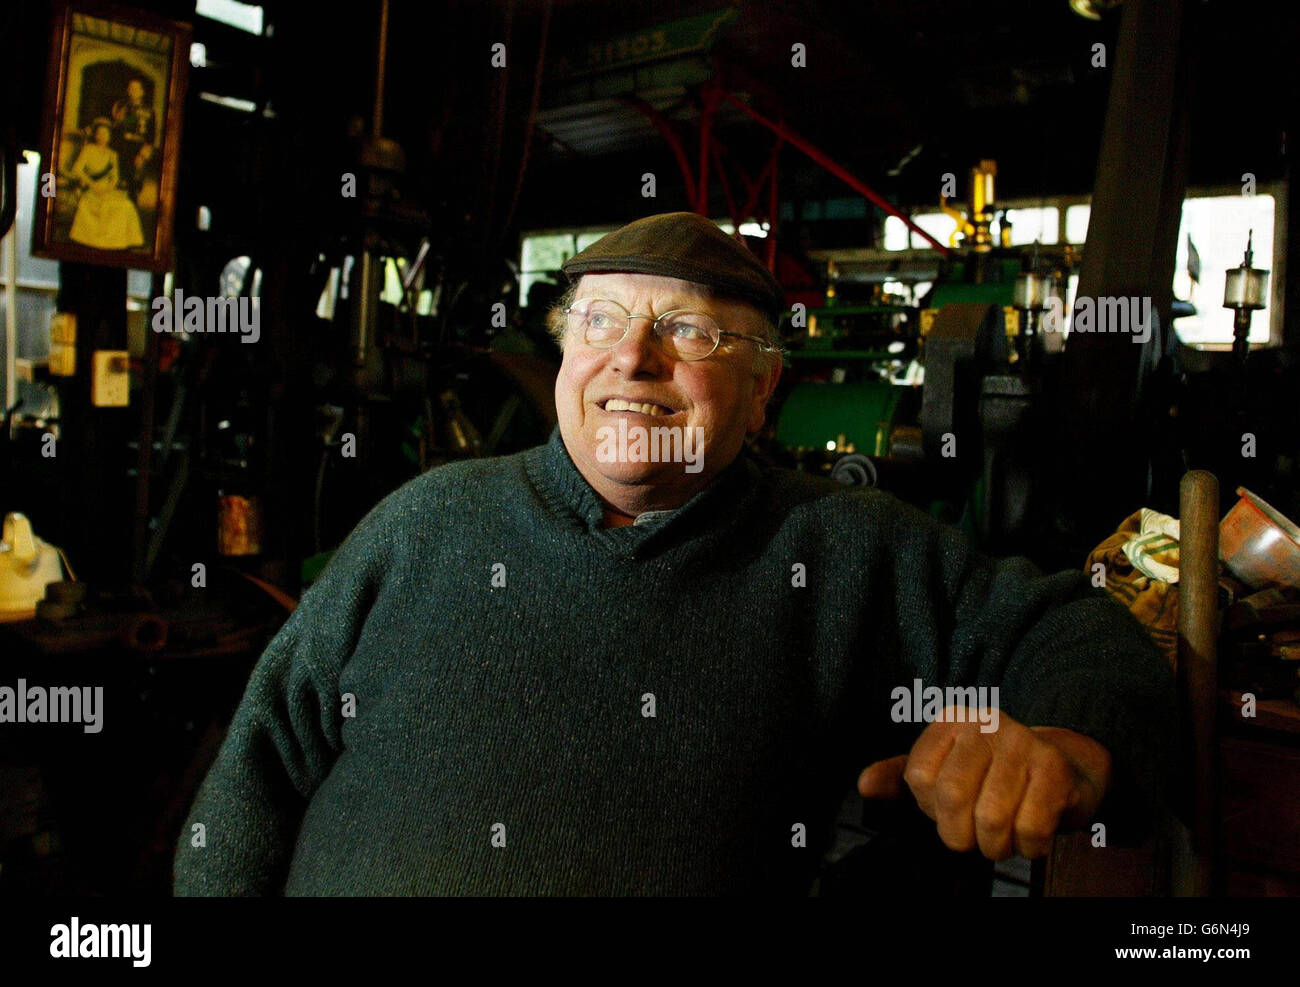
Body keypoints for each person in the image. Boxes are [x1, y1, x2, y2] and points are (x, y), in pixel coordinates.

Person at [174, 212, 1179, 896]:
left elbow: (1079, 633)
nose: (631, 358)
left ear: (762, 390)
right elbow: (254, 778)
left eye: (690, 332)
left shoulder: (838, 551)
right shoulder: (423, 523)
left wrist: (1066, 752)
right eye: (600, 322)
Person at [66, 119, 145, 250]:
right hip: (90, 188)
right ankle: (93, 242)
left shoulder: (112, 154)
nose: (102, 136)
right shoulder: (88, 149)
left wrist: (108, 188)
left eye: (105, 134)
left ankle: (117, 241)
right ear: (95, 135)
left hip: (107, 189)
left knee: (126, 205)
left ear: (109, 136)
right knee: (94, 206)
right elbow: (77, 169)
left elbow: (115, 177)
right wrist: (92, 185)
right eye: (99, 133)